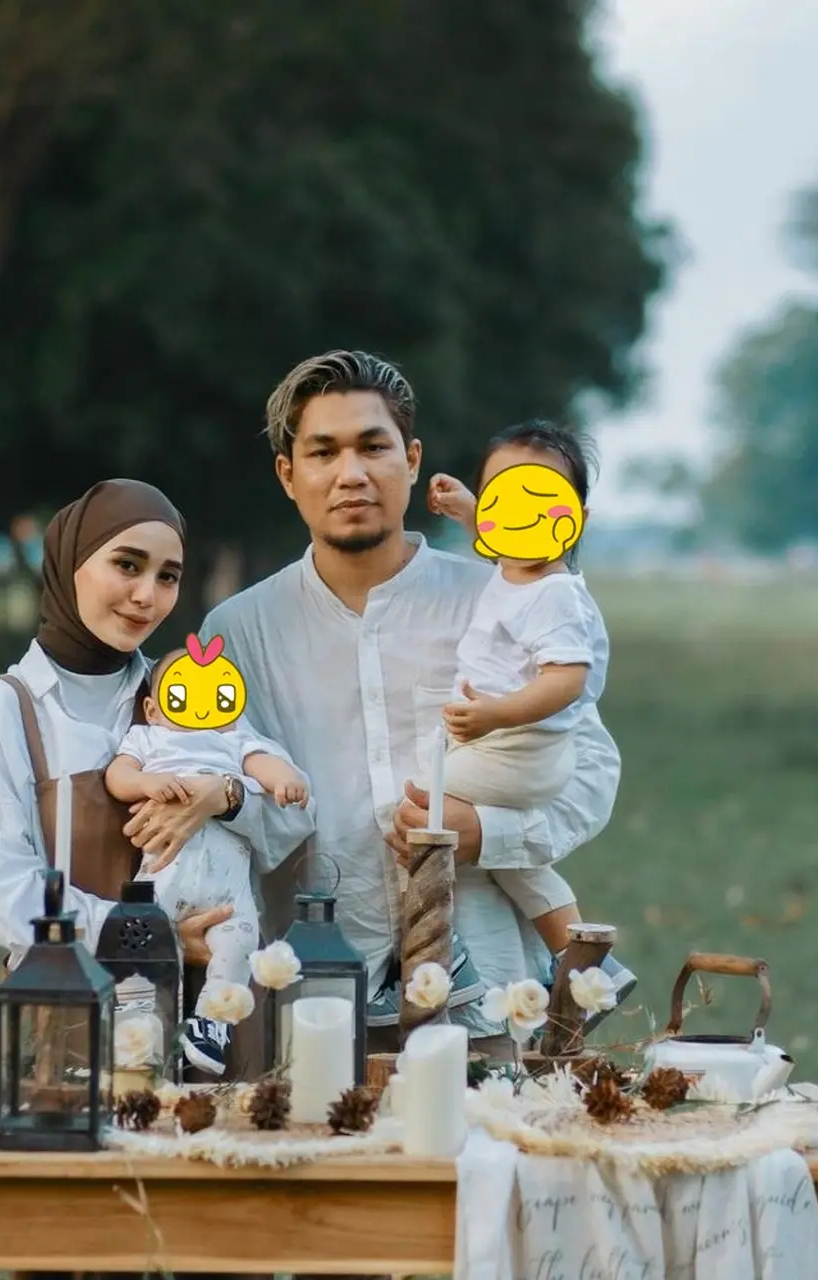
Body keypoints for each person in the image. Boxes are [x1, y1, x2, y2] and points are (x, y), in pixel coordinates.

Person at [198, 350, 628, 1046]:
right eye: (323, 452)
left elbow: (588, 776)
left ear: (414, 459)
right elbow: (210, 799)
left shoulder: (497, 602)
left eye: (374, 447)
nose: (352, 474)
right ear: (288, 474)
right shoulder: (237, 635)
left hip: (489, 997)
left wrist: (485, 832)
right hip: (306, 997)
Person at [0, 477, 314, 1000]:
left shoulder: (182, 693)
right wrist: (150, 935)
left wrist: (223, 797)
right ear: (71, 562)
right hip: (68, 1013)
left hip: (197, 1014)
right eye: (127, 565)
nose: (147, 595)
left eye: (168, 576)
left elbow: (296, 816)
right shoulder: (9, 710)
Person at [425, 419, 633, 1007]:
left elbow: (567, 680)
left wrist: (494, 716)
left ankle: (440, 965)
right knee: (507, 860)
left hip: (521, 746)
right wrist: (467, 510)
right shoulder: (518, 570)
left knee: (414, 800)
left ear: (573, 522)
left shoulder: (556, 595)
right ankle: (586, 961)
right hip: (508, 741)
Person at [105, 646, 311, 1074]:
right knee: (142, 941)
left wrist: (285, 780)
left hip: (226, 887)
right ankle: (136, 1024)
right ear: (153, 708)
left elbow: (264, 763)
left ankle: (211, 1023)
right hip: (164, 873)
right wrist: (146, 781)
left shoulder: (234, 737)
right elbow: (118, 777)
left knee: (239, 939)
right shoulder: (147, 737)